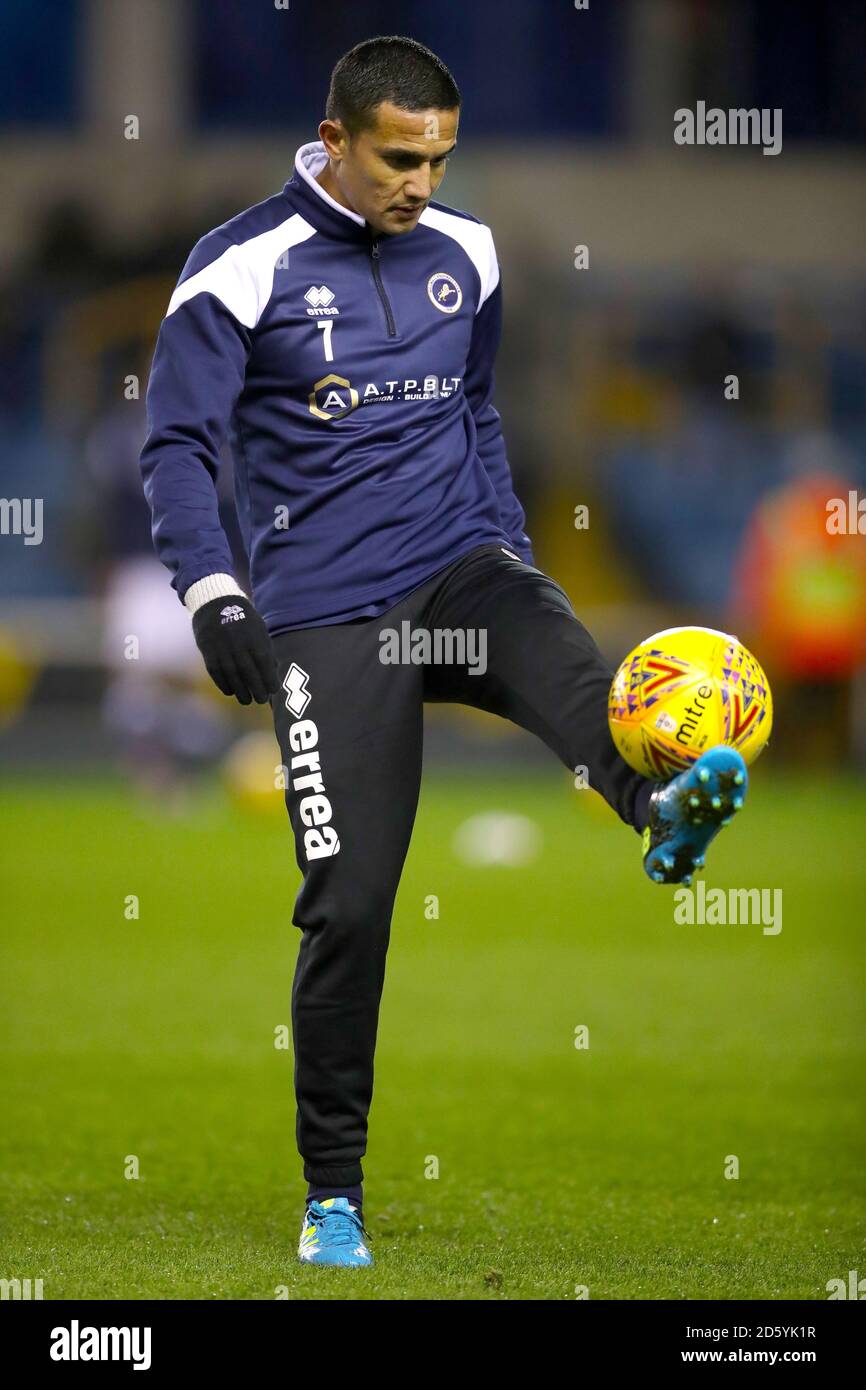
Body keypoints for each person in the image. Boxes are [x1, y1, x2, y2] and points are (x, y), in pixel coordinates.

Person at [140, 35, 747, 1268]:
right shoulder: (235, 269)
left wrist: (508, 544)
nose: (420, 182)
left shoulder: (467, 255)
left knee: (579, 673)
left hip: (460, 567)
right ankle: (332, 1195)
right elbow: (176, 449)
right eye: (398, 157)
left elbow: (473, 411)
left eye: (438, 158)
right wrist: (214, 594)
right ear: (334, 140)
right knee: (352, 903)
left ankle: (660, 809)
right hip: (326, 615)